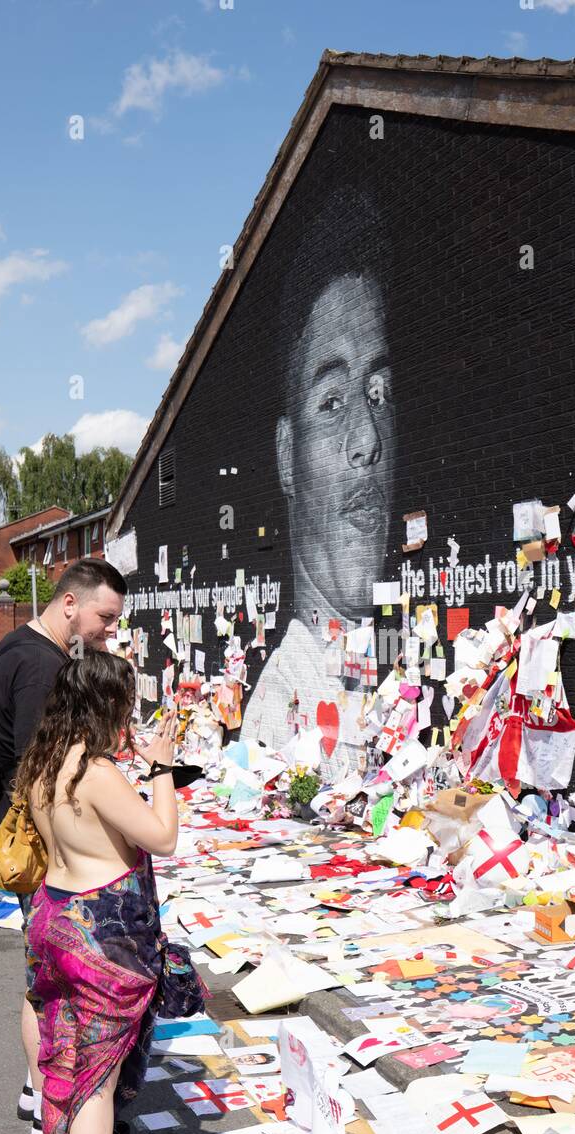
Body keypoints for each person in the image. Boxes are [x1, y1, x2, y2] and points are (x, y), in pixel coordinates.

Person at [14, 648, 195, 1134]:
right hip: (102, 930)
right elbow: (162, 838)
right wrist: (164, 769)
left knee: (61, 1059)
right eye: (127, 702)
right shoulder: (94, 771)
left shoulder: (42, 763)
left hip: (52, 917)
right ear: (107, 705)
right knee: (96, 1075)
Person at [241, 188, 396, 773]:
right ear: (287, 457)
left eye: (381, 394)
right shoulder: (277, 703)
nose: (367, 439)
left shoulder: (391, 673)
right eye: (332, 402)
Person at [0, 557, 127, 1134]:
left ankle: (32, 1089)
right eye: (104, 617)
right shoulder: (43, 668)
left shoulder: (17, 648)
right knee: (52, 982)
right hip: (38, 845)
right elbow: (46, 768)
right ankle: (48, 1106)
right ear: (70, 603)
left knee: (45, 972)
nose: (108, 630)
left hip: (19, 834)